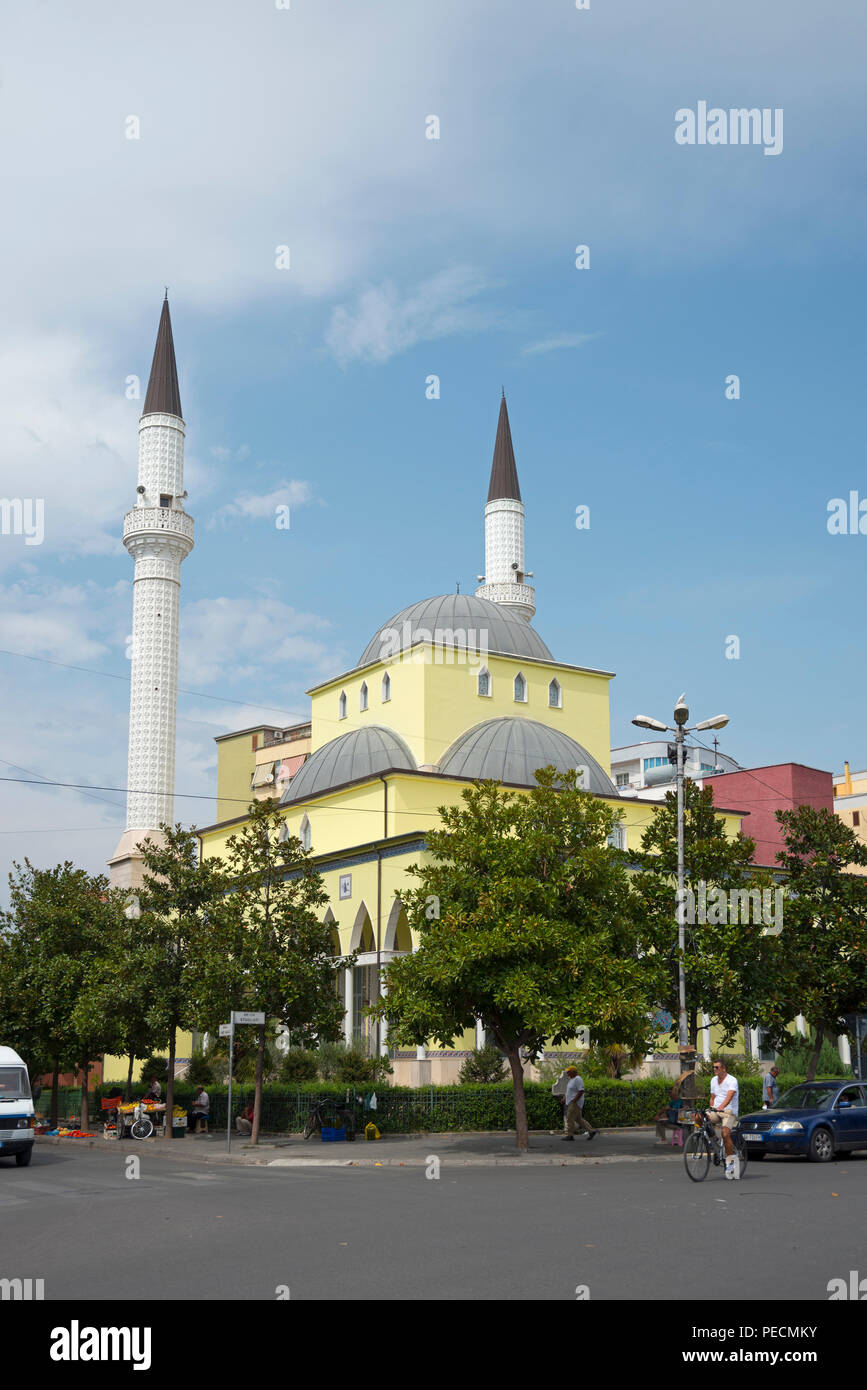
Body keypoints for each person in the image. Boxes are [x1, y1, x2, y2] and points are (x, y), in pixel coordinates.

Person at [707, 1059, 740, 1179]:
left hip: (729, 1111)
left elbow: (729, 1097)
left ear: (723, 1069)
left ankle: (730, 1162)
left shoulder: (732, 1080)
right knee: (699, 1117)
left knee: (725, 1134)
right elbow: (712, 1097)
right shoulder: (713, 1080)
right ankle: (714, 1139)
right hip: (717, 1110)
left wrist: (721, 1107)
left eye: (717, 1067)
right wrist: (712, 1108)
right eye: (713, 1067)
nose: (714, 1069)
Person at [561, 1066, 597, 1141]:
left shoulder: (578, 1079)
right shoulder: (572, 1079)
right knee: (579, 1119)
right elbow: (569, 1091)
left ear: (573, 1072)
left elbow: (581, 1091)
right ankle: (591, 1131)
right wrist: (564, 1098)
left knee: (569, 1118)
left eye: (568, 1072)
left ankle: (570, 1135)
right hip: (572, 1102)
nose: (567, 1073)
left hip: (575, 1103)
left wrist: (574, 1100)